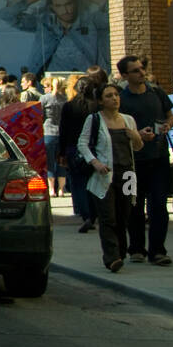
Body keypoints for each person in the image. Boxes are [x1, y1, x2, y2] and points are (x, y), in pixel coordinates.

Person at [116, 55, 173, 265]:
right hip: (132, 162)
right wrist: (137, 134)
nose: (141, 73)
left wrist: (167, 124)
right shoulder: (121, 99)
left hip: (158, 158)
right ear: (124, 75)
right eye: (135, 71)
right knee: (134, 205)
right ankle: (136, 248)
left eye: (141, 69)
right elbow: (116, 127)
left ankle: (158, 250)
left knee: (159, 205)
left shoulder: (156, 92)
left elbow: (170, 115)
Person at [81, 84, 143, 272]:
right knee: (108, 217)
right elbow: (82, 144)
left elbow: (138, 147)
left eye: (116, 95)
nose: (114, 98)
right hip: (105, 176)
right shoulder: (94, 120)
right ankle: (112, 257)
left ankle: (120, 253)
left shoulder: (128, 120)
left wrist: (135, 136)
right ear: (100, 100)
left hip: (128, 175)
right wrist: (96, 162)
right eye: (109, 96)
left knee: (124, 215)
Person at [0, 0, 110, 75]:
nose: (65, 10)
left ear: (75, 3)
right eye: (59, 6)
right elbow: (7, 14)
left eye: (68, 4)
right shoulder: (44, 24)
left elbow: (116, 8)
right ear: (52, 7)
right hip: (52, 83)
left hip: (86, 80)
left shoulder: (91, 22)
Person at [60, 71, 109, 232]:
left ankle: (85, 214)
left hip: (73, 148)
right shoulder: (97, 107)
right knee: (94, 181)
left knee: (78, 182)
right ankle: (95, 212)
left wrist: (61, 153)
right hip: (94, 147)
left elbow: (63, 130)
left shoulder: (69, 106)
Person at [40, 76, 67, 197]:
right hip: (61, 132)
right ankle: (61, 189)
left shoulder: (45, 98)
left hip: (48, 131)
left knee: (49, 162)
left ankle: (51, 189)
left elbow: (39, 115)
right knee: (61, 162)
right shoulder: (65, 99)